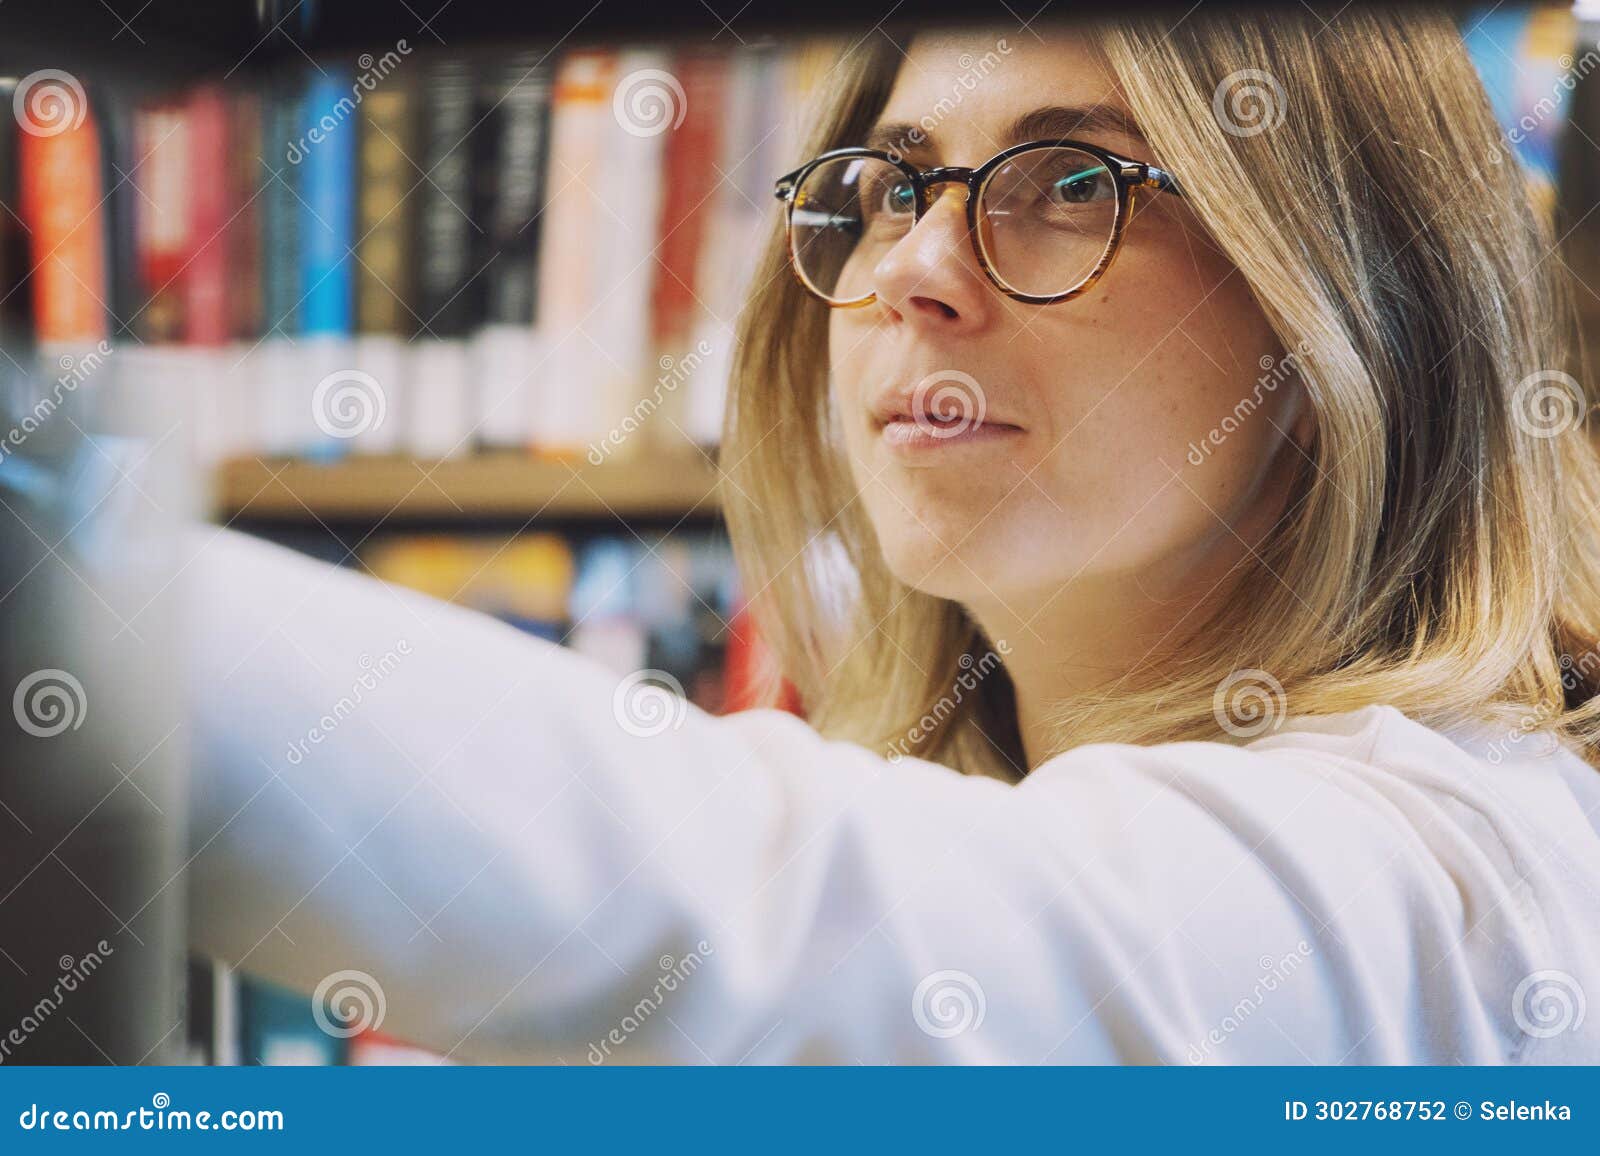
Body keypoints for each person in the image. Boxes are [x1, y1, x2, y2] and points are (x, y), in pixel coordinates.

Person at [188, 10, 1600, 1063]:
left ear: (1351, 320)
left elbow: (801, 937)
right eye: (888, 187)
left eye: (1076, 183)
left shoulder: (1470, 887)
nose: (914, 268)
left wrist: (92, 621)